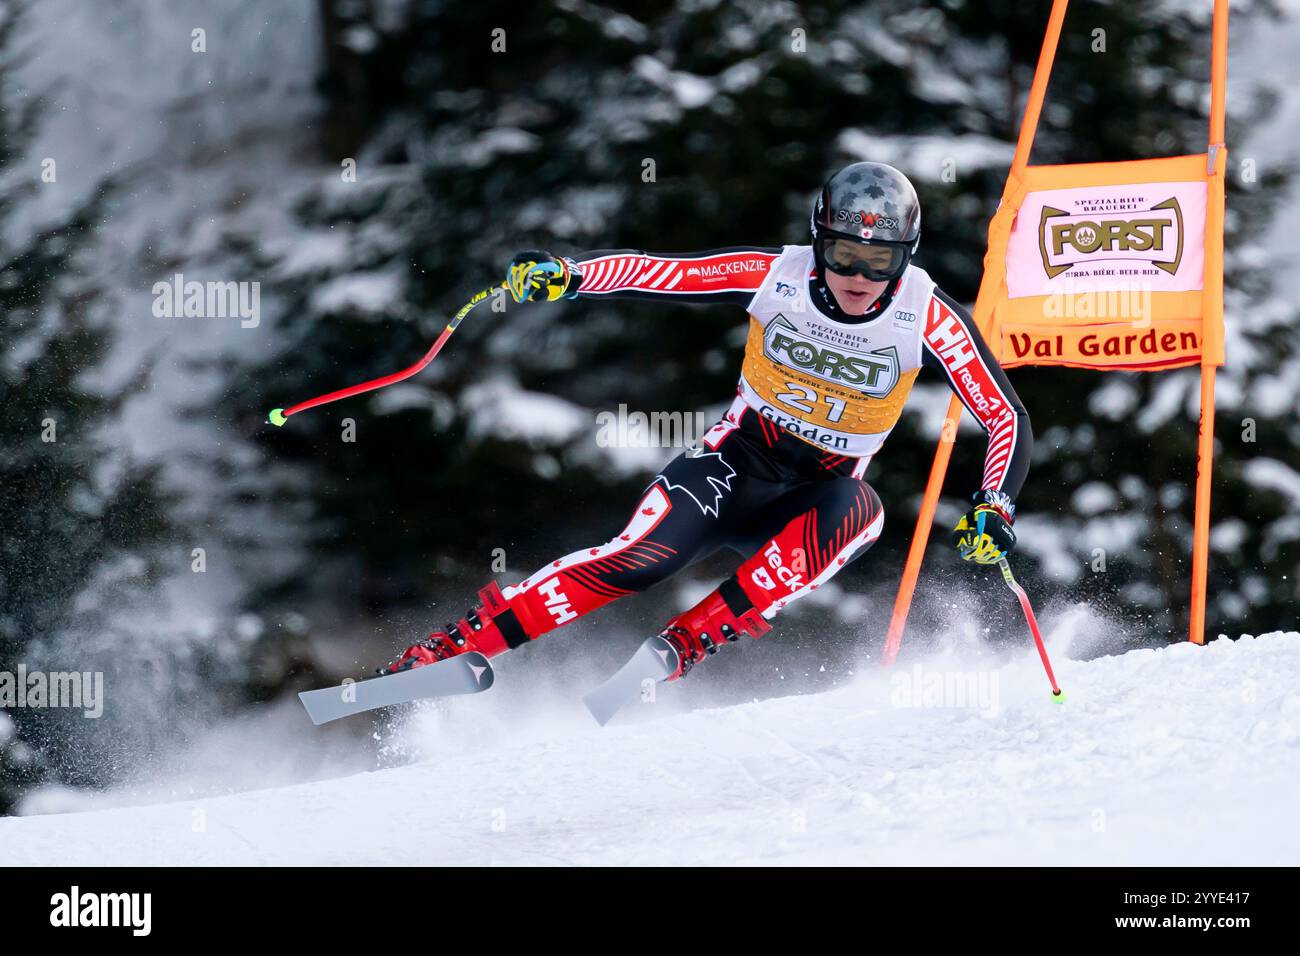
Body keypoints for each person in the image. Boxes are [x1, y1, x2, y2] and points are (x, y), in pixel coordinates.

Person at [380, 162, 1032, 681]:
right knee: (636, 559)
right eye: (842, 254)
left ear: (906, 257)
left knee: (865, 509)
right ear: (818, 242)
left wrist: (994, 502)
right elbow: (663, 272)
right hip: (729, 469)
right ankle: (458, 646)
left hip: (812, 497)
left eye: (879, 261)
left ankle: (688, 642)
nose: (857, 276)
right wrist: (572, 276)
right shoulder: (777, 274)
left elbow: (1004, 413)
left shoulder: (929, 314)